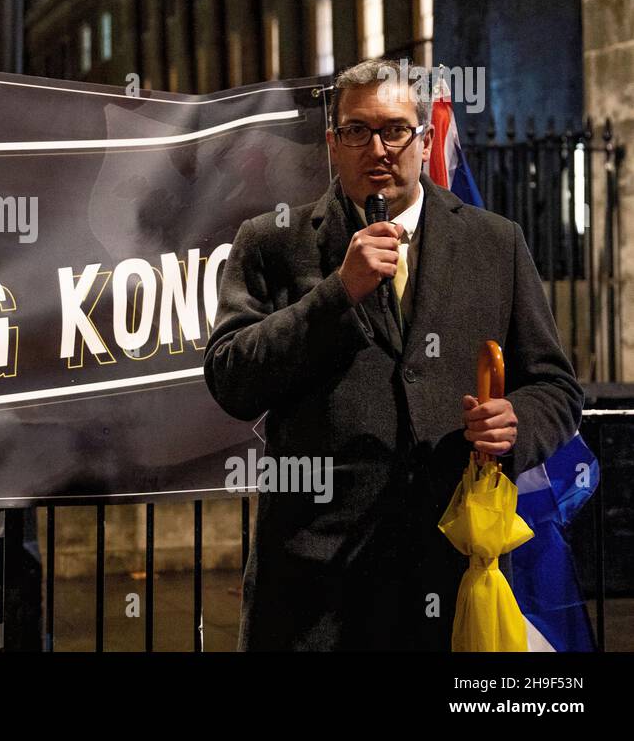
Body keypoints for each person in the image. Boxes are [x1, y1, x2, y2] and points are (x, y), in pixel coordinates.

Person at [202, 58, 583, 651]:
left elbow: (556, 387)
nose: (377, 147)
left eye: (395, 129)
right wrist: (338, 294)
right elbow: (231, 380)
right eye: (357, 130)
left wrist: (518, 424)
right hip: (314, 592)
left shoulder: (494, 242)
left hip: (451, 572)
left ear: (424, 137)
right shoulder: (272, 242)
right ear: (333, 142)